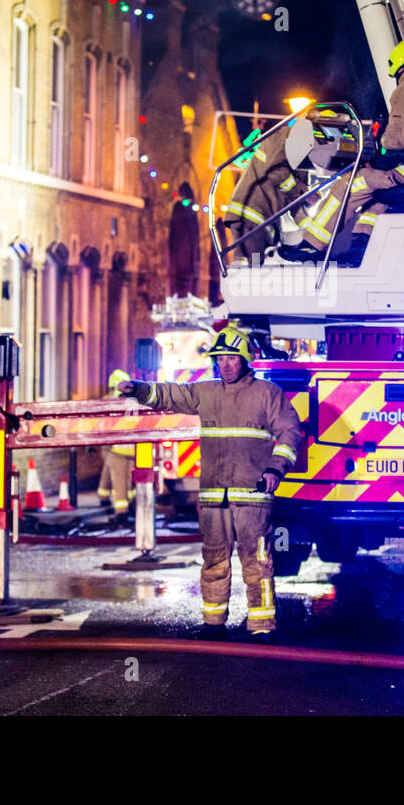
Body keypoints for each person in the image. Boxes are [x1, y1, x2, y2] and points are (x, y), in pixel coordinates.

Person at [118, 326, 304, 643]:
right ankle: (213, 622)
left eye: (232, 358)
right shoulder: (205, 393)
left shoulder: (267, 394)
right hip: (214, 497)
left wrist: (276, 468)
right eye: (220, 359)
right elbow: (171, 394)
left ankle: (261, 625)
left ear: (246, 359)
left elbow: (289, 434)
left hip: (253, 495)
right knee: (214, 560)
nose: (226, 364)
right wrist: (138, 389)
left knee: (256, 561)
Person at [280, 40, 404, 266]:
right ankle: (360, 248)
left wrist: (380, 139)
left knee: (350, 183)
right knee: (376, 200)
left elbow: (400, 138)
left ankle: (312, 244)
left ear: (399, 69)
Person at [223, 128, 308, 262]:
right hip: (250, 216)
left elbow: (295, 201)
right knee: (249, 271)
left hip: (264, 222)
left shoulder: (303, 159)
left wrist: (311, 231)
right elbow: (274, 170)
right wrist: (301, 191)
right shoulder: (284, 135)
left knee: (258, 274)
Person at [97, 369, 137, 516]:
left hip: (116, 447)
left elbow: (100, 424)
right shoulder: (134, 401)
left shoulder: (108, 401)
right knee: (124, 475)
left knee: (119, 477)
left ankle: (122, 510)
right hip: (133, 448)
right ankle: (105, 496)